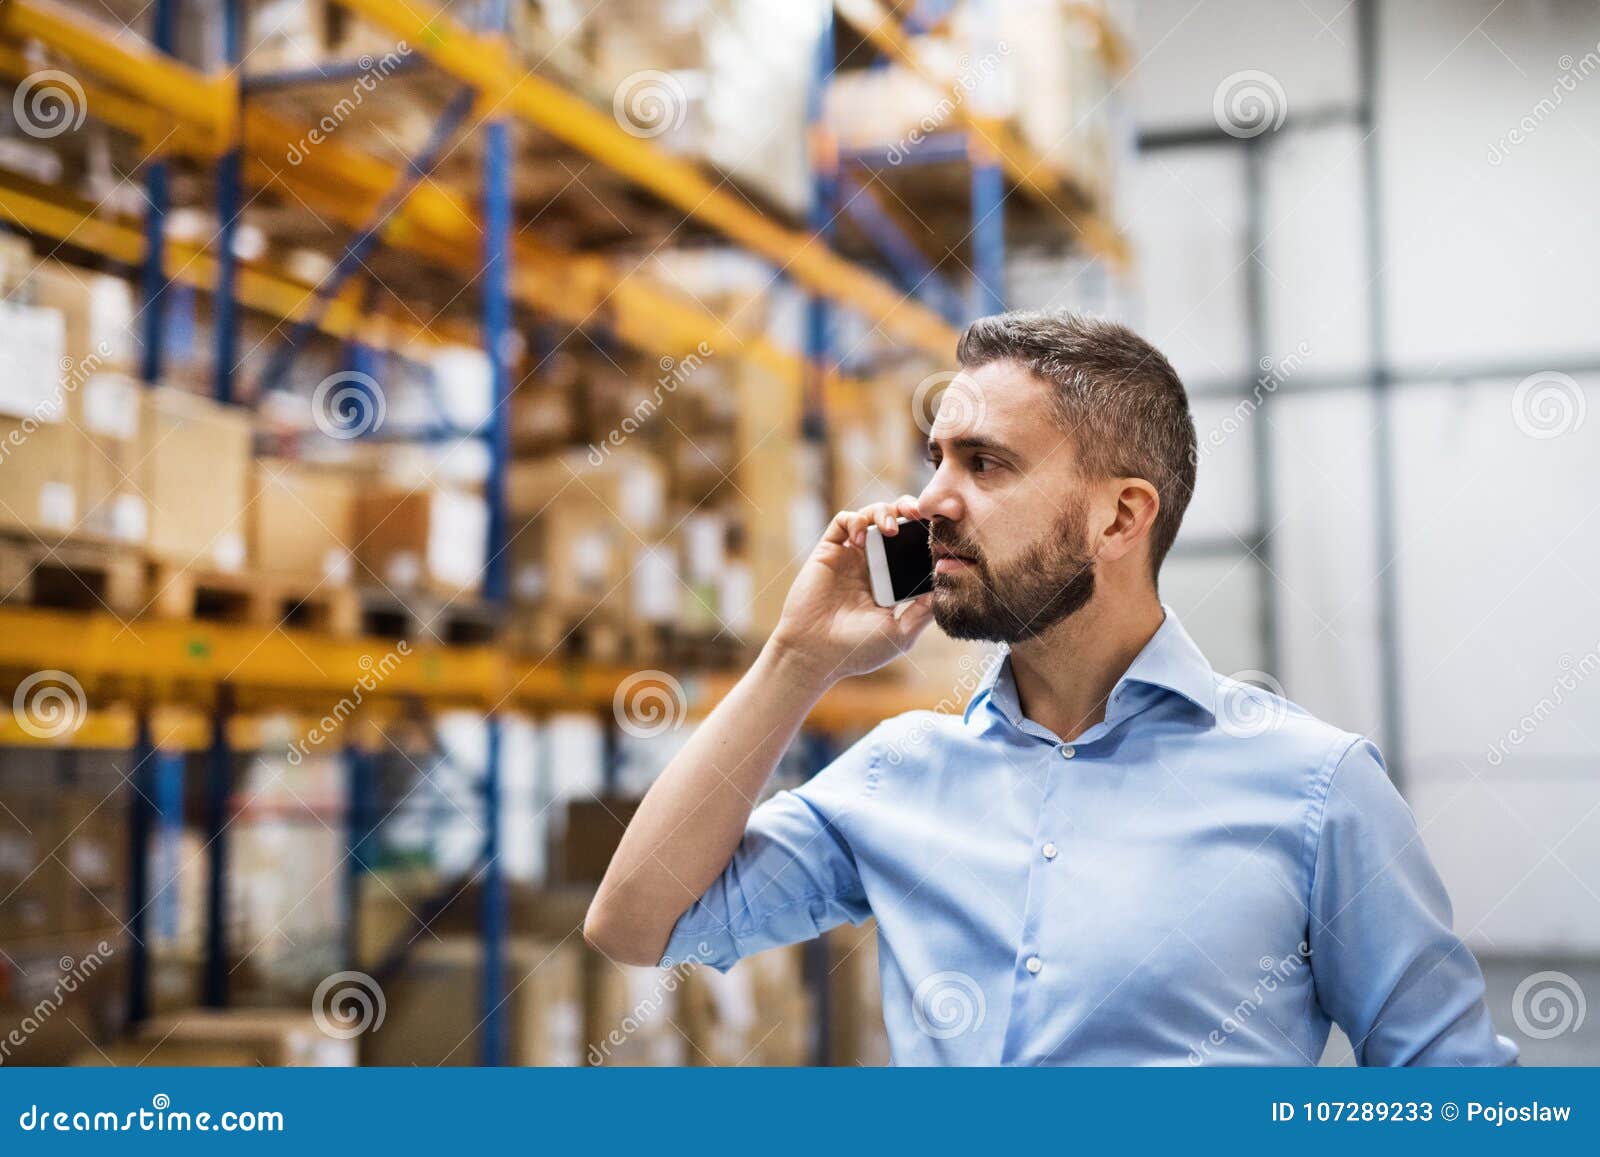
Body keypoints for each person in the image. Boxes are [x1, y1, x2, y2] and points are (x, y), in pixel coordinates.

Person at [584, 309, 1517, 1066]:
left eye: (984, 463)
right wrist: (797, 658)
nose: (932, 502)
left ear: (1120, 516)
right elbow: (635, 923)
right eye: (936, 457)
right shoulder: (899, 775)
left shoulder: (1316, 789)